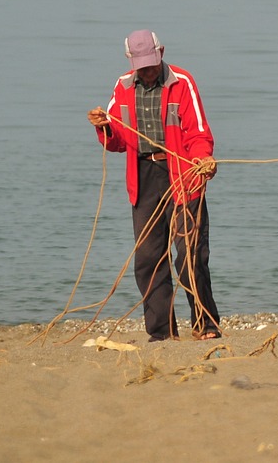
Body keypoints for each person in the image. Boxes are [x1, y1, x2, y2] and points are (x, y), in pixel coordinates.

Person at [87, 30, 222, 341]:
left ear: (161, 52)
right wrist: (104, 127)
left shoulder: (182, 82)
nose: (147, 70)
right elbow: (117, 142)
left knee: (190, 255)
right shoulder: (122, 87)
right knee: (148, 257)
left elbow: (199, 132)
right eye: (141, 65)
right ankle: (161, 331)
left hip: (183, 173)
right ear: (131, 62)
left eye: (151, 63)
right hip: (143, 176)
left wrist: (204, 159)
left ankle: (206, 325)